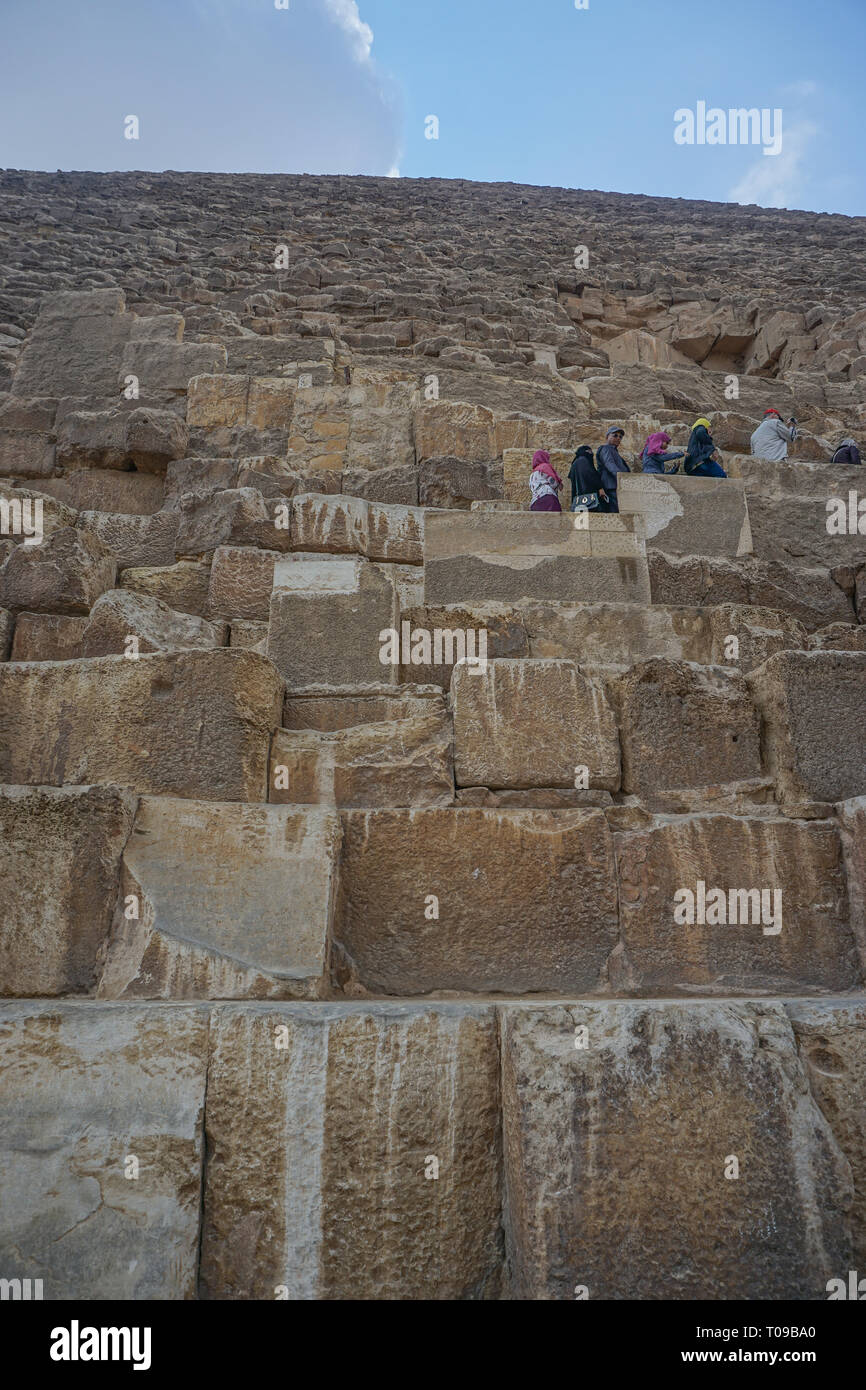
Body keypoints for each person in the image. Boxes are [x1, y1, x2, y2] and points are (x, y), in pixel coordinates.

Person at [596, 426, 630, 511]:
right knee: (615, 510)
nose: (618, 438)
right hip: (611, 486)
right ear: (607, 437)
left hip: (616, 484)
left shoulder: (614, 451)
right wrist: (622, 478)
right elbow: (610, 465)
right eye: (615, 435)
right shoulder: (606, 449)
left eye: (620, 437)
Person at [568, 445, 611, 511]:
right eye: (589, 451)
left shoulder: (575, 463)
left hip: (579, 498)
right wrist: (600, 487)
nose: (591, 453)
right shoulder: (583, 460)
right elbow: (591, 475)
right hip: (589, 497)